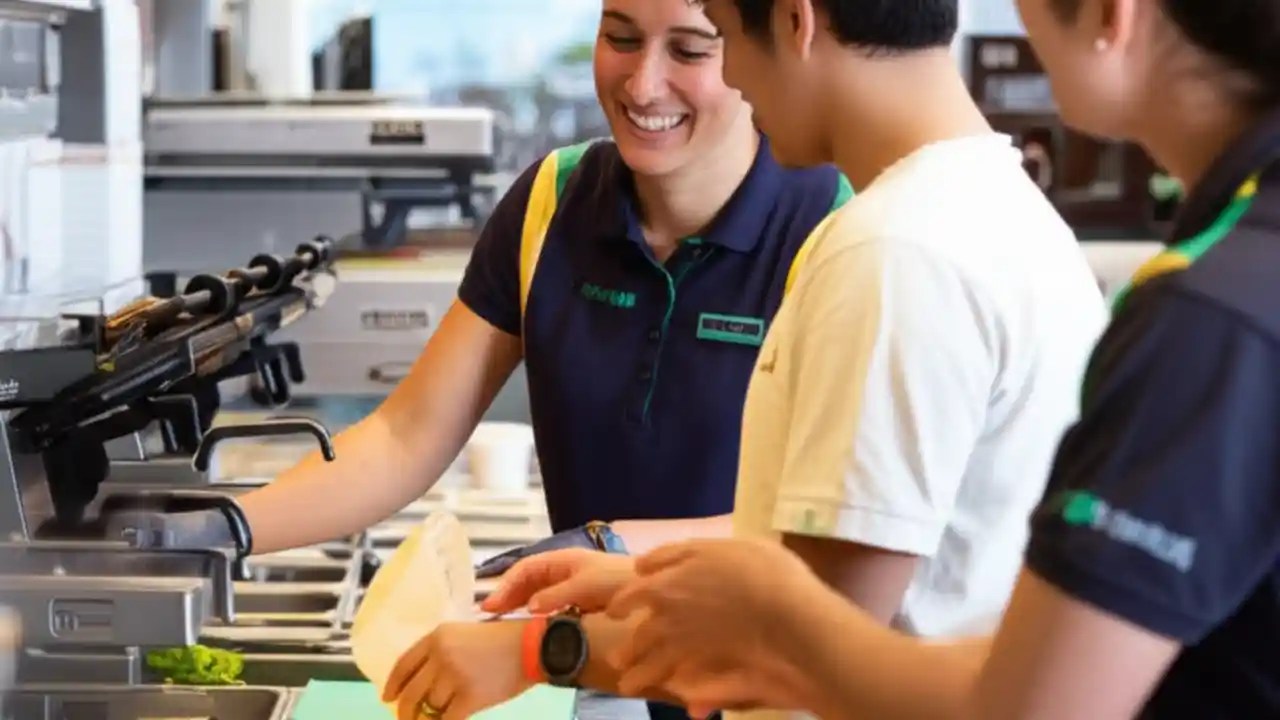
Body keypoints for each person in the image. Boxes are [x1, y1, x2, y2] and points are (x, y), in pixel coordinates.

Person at [475, 0, 1280, 718]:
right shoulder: (1012, 219)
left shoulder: (900, 249)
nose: (730, 80)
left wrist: (547, 651)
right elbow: (1030, 645)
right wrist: (680, 590)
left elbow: (1011, 693)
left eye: (717, 38)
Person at [106, 0, 848, 563]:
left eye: (690, 50)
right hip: (591, 664)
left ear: (760, 50)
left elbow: (838, 522)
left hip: (763, 681)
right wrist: (231, 526)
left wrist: (614, 550)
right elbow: (405, 436)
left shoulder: (833, 227)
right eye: (620, 37)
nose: (643, 82)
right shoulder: (552, 202)